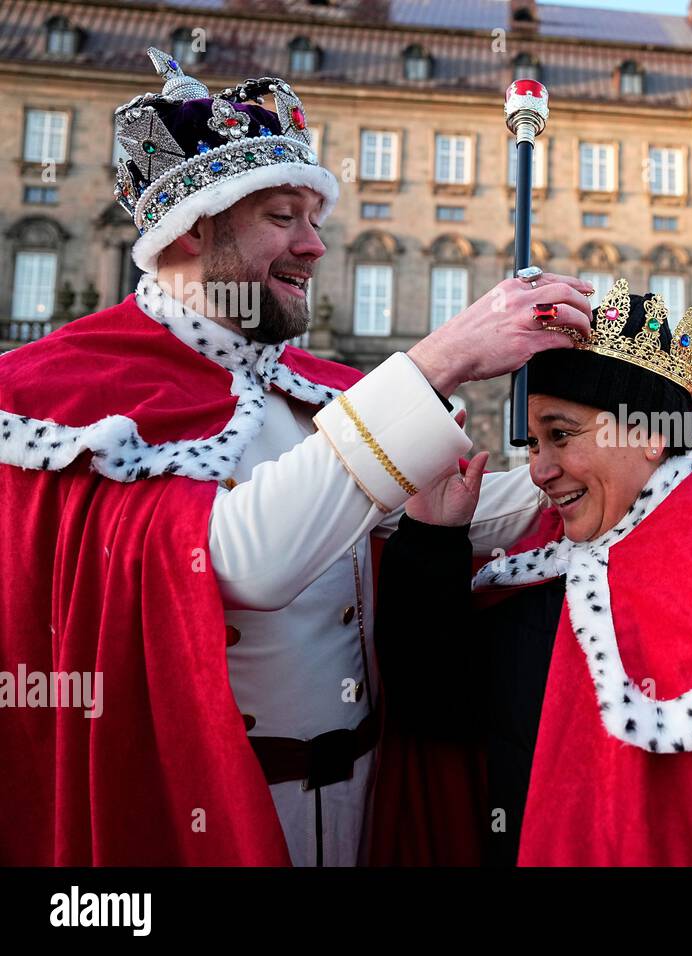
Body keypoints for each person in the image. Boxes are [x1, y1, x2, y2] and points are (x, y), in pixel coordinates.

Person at [0, 48, 607, 866]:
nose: (314, 248)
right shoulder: (64, 392)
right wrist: (443, 358)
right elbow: (241, 562)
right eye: (284, 218)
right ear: (192, 230)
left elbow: (445, 511)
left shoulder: (314, 389)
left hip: (360, 798)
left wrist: (625, 440)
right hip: (202, 807)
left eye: (315, 222)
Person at [375, 280, 692, 865]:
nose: (539, 470)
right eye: (532, 442)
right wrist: (431, 543)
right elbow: (442, 715)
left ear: (644, 432)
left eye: (560, 436)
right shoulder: (546, 547)